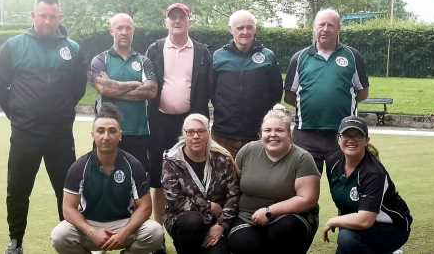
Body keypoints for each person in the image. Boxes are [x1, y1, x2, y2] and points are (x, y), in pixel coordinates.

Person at [0, 0, 88, 254]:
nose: (47, 20)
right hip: (25, 133)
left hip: (59, 134)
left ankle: (68, 239)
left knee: (66, 189)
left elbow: (78, 86)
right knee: (18, 189)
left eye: (52, 16)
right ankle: (15, 240)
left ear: (60, 18)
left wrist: (61, 108)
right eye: (42, 15)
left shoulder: (73, 49)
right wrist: (17, 113)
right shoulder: (13, 46)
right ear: (33, 16)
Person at [50, 104, 164, 254]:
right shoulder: (79, 167)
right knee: (60, 236)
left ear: (120, 135)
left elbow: (145, 207)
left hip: (124, 224)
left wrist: (124, 232)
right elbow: (68, 209)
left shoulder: (134, 165)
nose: (106, 137)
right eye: (100, 131)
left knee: (155, 232)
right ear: (93, 134)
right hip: (89, 224)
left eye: (112, 131)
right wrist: (92, 232)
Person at [145, 3, 212, 224]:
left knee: (194, 174)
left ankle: (194, 226)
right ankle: (157, 234)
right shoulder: (154, 49)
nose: (177, 21)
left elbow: (208, 87)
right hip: (160, 122)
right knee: (158, 178)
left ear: (188, 20)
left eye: (181, 17)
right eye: (172, 17)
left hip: (190, 125)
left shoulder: (202, 51)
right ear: (166, 21)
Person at [284, 8, 369, 173]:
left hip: (343, 133)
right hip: (306, 134)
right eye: (321, 24)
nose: (325, 29)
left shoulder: (352, 55)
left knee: (345, 187)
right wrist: (312, 105)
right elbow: (289, 95)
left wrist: (338, 102)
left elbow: (363, 92)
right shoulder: (299, 57)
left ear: (338, 29)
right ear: (314, 28)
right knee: (303, 189)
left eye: (330, 25)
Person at [228, 106, 321, 254]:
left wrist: (269, 211)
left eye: (279, 130)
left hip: (289, 218)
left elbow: (307, 199)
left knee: (283, 230)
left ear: (290, 134)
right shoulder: (247, 151)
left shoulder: (302, 158)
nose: (273, 134)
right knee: (243, 243)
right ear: (261, 133)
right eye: (267, 130)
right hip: (248, 217)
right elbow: (233, 187)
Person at [322, 116, 412, 254]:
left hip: (392, 227)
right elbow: (344, 204)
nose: (351, 139)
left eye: (358, 135)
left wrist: (333, 221)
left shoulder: (373, 173)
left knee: (347, 239)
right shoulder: (332, 161)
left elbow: (364, 221)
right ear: (339, 138)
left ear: (366, 140)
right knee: (346, 239)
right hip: (362, 223)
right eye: (346, 134)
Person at [162, 113, 239, 254]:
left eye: (201, 131)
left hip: (215, 221)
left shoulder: (223, 159)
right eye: (190, 132)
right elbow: (174, 198)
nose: (196, 136)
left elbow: (233, 195)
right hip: (183, 220)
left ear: (208, 133)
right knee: (192, 222)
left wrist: (221, 225)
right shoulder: (172, 161)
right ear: (184, 134)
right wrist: (208, 206)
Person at [90, 13, 158, 170]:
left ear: (133, 31)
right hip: (107, 133)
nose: (124, 32)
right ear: (111, 31)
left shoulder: (143, 61)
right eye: (119, 28)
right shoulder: (101, 60)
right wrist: (135, 84)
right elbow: (104, 88)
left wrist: (114, 87)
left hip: (138, 133)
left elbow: (151, 90)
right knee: (103, 184)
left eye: (128, 28)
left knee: (137, 185)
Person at [211, 10, 283, 157]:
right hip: (223, 135)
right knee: (223, 179)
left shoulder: (268, 56)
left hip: (257, 135)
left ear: (255, 29)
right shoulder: (218, 56)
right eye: (240, 28)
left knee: (256, 179)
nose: (245, 31)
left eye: (249, 27)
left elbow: (276, 92)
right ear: (231, 30)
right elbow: (211, 91)